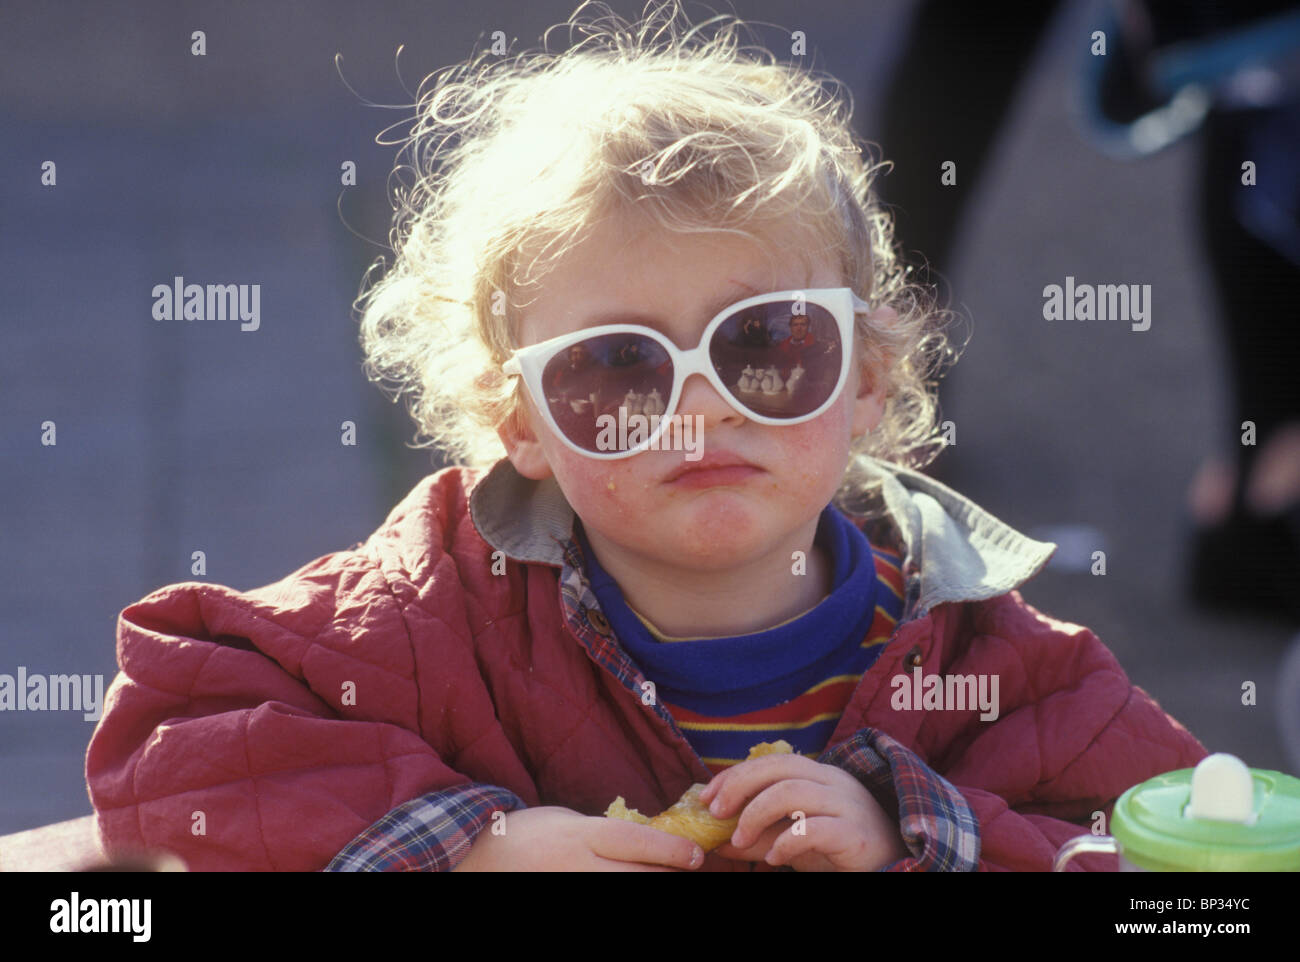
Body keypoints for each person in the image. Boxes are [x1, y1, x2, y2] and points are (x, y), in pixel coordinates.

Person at [85, 0, 1205, 872]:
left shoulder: (989, 657)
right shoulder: (433, 611)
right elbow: (168, 742)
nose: (700, 407)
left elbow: (1176, 852)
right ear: (516, 418)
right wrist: (473, 841)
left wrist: (914, 831)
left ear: (868, 379)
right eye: (618, 363)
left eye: (766, 343)